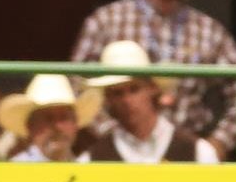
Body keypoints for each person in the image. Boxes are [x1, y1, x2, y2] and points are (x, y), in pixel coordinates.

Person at [71, 0, 236, 157]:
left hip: (186, 154)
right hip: (118, 155)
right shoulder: (106, 21)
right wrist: (112, 137)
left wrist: (217, 144)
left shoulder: (210, 31)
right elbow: (78, 85)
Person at [79, 41, 220, 164]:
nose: (127, 100)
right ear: (108, 99)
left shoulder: (200, 154)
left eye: (134, 89)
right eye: (117, 93)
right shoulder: (90, 161)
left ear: (152, 88)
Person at [0, 73, 98, 163]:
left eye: (64, 118)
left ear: (75, 124)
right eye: (48, 119)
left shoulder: (89, 168)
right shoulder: (15, 171)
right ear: (30, 126)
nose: (57, 126)